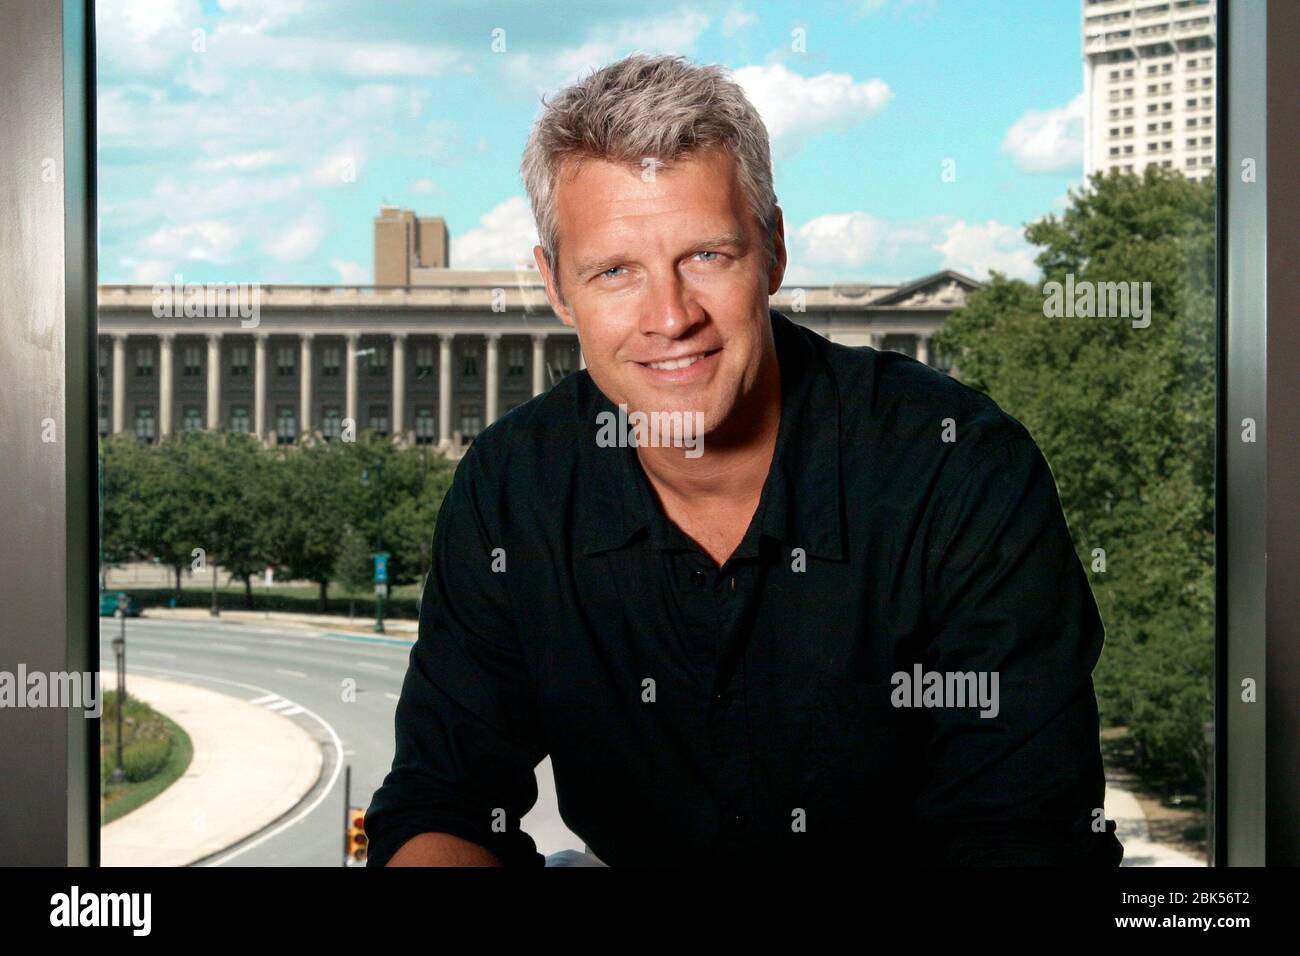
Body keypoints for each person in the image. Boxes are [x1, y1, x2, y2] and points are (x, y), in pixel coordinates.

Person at [365, 54, 1124, 867]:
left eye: (707, 257)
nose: (670, 316)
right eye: (615, 270)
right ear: (556, 287)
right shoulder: (512, 487)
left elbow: (1026, 837)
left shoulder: (960, 473)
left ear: (773, 251)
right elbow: (443, 800)